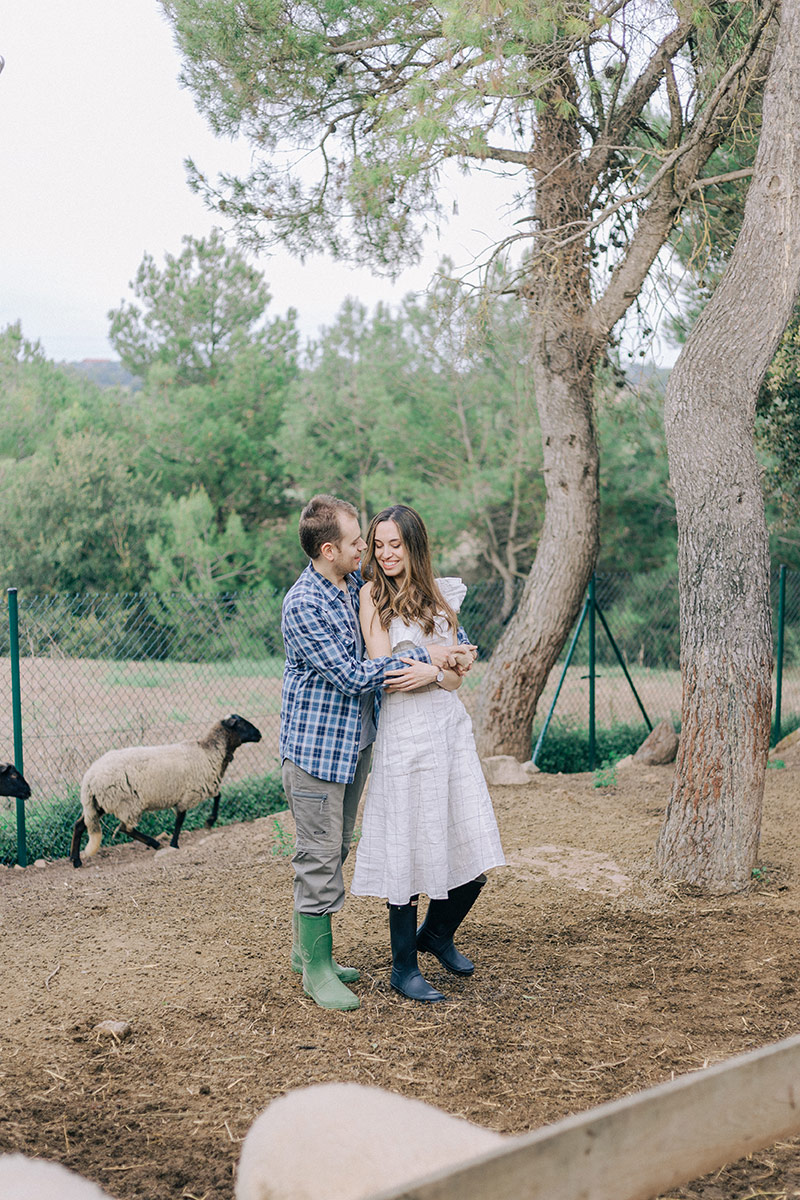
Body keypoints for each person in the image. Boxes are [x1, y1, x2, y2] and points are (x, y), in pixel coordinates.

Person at [280, 494, 468, 1012]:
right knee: (319, 858)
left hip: (353, 745)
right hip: (316, 751)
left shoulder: (350, 586)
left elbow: (412, 606)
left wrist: (452, 652)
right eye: (357, 541)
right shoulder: (305, 603)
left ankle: (305, 950)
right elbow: (352, 674)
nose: (365, 547)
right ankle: (317, 971)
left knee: (335, 847)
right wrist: (428, 658)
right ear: (328, 549)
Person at [351, 504, 506, 1003]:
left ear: (413, 545)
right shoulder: (372, 596)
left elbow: (460, 675)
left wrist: (437, 672)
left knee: (470, 838)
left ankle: (437, 935)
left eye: (394, 544)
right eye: (378, 545)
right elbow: (382, 666)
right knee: (408, 843)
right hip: (405, 737)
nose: (385, 553)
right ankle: (403, 966)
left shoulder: (442, 596)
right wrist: (431, 659)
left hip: (447, 729)